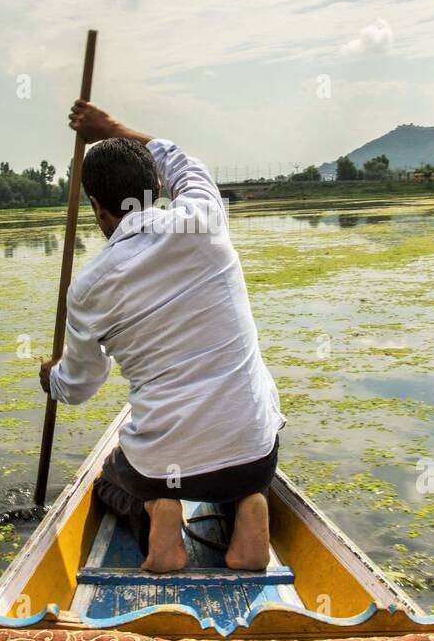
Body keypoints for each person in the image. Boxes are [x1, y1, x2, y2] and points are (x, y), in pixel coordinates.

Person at [39, 101, 284, 573]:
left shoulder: (89, 288)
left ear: (95, 206)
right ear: (157, 188)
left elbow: (80, 384)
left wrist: (51, 378)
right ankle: (250, 508)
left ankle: (158, 513)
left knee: (111, 480)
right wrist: (110, 128)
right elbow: (185, 164)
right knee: (243, 472)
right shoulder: (204, 220)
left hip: (160, 471)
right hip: (255, 457)